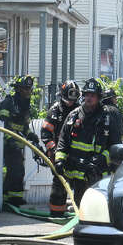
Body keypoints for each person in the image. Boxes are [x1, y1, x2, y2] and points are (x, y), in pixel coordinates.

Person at [54, 78, 123, 205]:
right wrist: (59, 160)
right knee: (80, 205)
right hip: (77, 175)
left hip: (98, 174)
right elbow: (63, 141)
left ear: (99, 97)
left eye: (92, 95)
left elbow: (115, 146)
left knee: (97, 207)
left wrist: (100, 160)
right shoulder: (74, 116)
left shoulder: (108, 118)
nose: (89, 98)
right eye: (87, 94)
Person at [0, 76, 39, 200]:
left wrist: (31, 134)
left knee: (16, 171)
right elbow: (2, 123)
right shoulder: (9, 103)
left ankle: (11, 198)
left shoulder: (25, 105)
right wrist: (10, 139)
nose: (29, 91)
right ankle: (13, 199)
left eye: (29, 88)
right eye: (26, 88)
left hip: (18, 145)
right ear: (19, 89)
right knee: (16, 171)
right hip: (6, 144)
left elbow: (24, 126)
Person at [43, 81, 80, 218]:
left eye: (73, 101)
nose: (70, 104)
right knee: (59, 183)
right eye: (68, 100)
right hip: (58, 153)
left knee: (80, 183)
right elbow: (46, 133)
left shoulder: (80, 111)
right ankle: (56, 212)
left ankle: (80, 214)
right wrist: (53, 150)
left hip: (76, 154)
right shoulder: (55, 111)